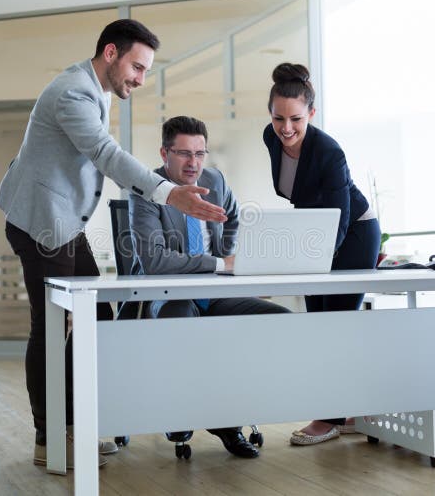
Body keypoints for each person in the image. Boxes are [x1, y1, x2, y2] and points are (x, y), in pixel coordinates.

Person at [0, 19, 228, 470]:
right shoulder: (73, 92)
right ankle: (51, 437)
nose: (140, 79)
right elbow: (105, 154)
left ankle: (74, 422)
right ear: (110, 54)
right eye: (137, 67)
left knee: (97, 314)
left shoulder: (93, 88)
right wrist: (166, 191)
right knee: (51, 325)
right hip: (41, 221)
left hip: (63, 221)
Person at [128, 115, 291, 459]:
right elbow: (156, 262)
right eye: (184, 154)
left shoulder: (215, 180)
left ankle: (224, 413)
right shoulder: (145, 190)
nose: (194, 163)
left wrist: (226, 255)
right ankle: (200, 415)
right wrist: (219, 264)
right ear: (164, 153)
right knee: (187, 327)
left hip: (215, 293)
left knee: (278, 320)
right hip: (168, 295)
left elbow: (232, 218)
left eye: (200, 153)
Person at [262, 63, 381, 446]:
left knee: (335, 322)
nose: (286, 128)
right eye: (279, 117)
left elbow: (340, 221)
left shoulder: (329, 152)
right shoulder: (270, 137)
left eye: (296, 118)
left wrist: (310, 260)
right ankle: (344, 411)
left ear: (311, 114)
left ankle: (328, 417)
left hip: (354, 233)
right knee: (318, 321)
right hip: (313, 229)